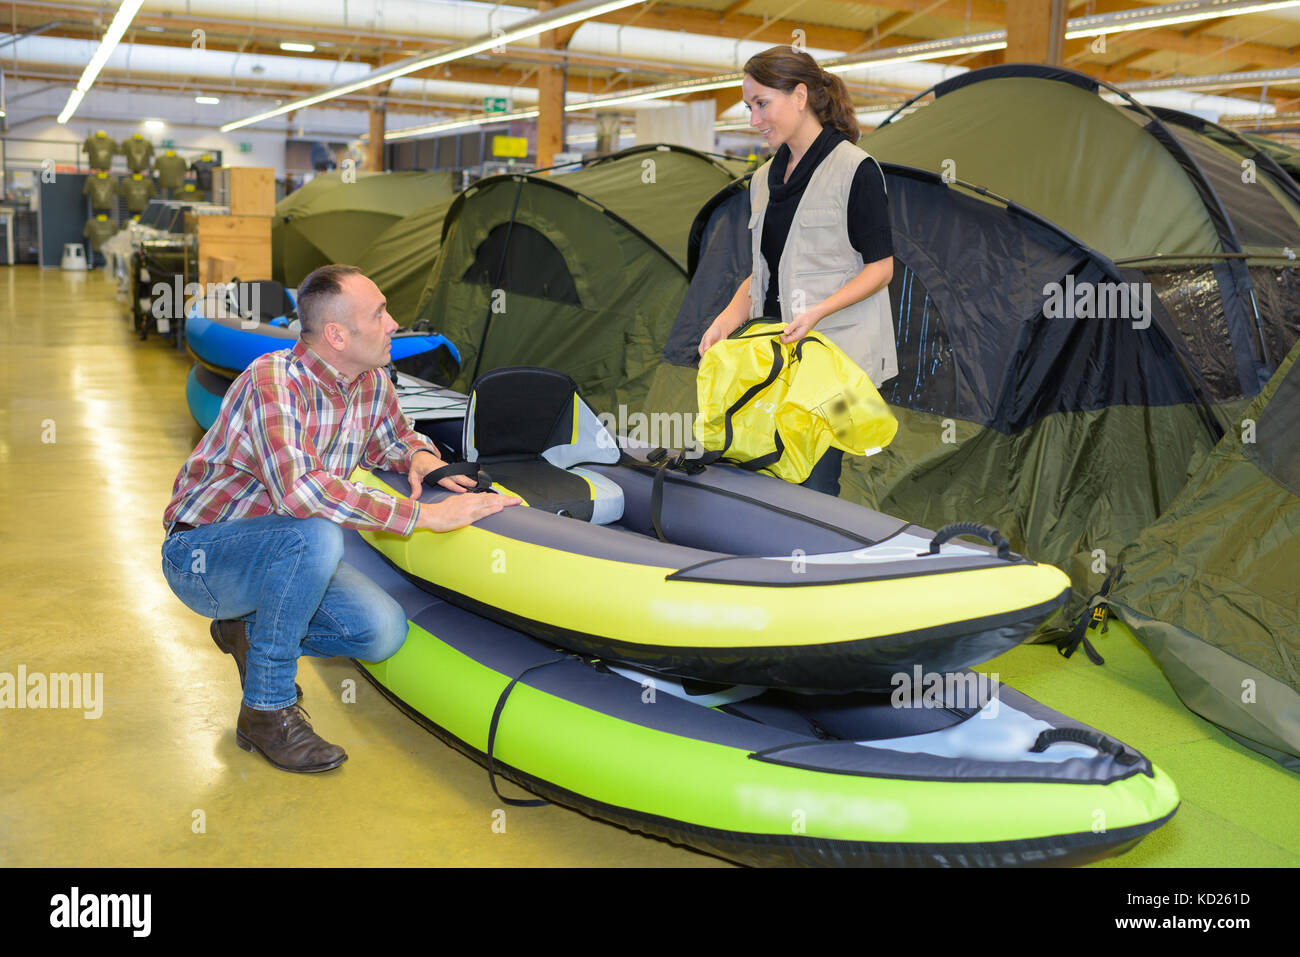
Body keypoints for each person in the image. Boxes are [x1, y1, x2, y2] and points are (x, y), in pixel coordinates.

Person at [161, 264, 519, 773]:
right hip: (203, 556)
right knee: (316, 534)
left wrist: (422, 459)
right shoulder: (273, 380)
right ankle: (266, 710)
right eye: (379, 313)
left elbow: (395, 438)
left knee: (380, 632)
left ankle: (247, 629)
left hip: (280, 551)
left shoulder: (371, 382)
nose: (394, 323)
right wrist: (425, 517)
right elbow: (301, 493)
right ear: (336, 334)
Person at [698, 45, 897, 497]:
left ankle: (821, 563)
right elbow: (764, 271)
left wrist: (817, 312)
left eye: (762, 103)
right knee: (770, 469)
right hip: (778, 355)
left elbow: (880, 269)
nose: (753, 119)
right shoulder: (762, 179)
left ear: (801, 96)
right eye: (749, 107)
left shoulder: (856, 170)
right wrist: (728, 318)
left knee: (819, 481)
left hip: (839, 360)